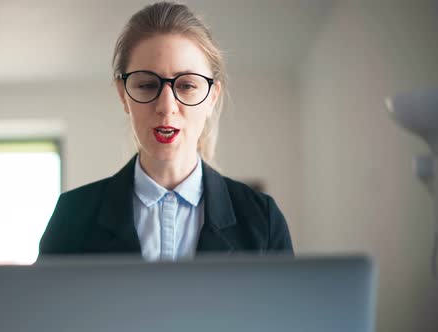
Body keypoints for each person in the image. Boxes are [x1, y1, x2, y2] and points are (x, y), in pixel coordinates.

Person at [39, 1, 293, 260]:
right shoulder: (71, 217)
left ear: (212, 97)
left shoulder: (263, 220)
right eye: (148, 85)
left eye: (186, 86)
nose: (166, 106)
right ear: (122, 94)